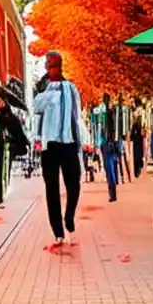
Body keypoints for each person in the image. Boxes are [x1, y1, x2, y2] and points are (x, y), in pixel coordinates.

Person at [33, 51, 89, 245]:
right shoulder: (42, 88)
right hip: (49, 145)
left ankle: (69, 215)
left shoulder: (70, 88)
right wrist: (48, 91)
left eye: (54, 64)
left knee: (74, 184)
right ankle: (57, 230)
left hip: (68, 142)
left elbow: (77, 114)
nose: (51, 67)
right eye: (48, 64)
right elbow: (36, 108)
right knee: (52, 188)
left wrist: (82, 141)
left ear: (60, 65)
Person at [0, 95, 24, 207]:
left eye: (0, 102)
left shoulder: (6, 116)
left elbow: (14, 126)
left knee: (2, 172)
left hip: (4, 148)